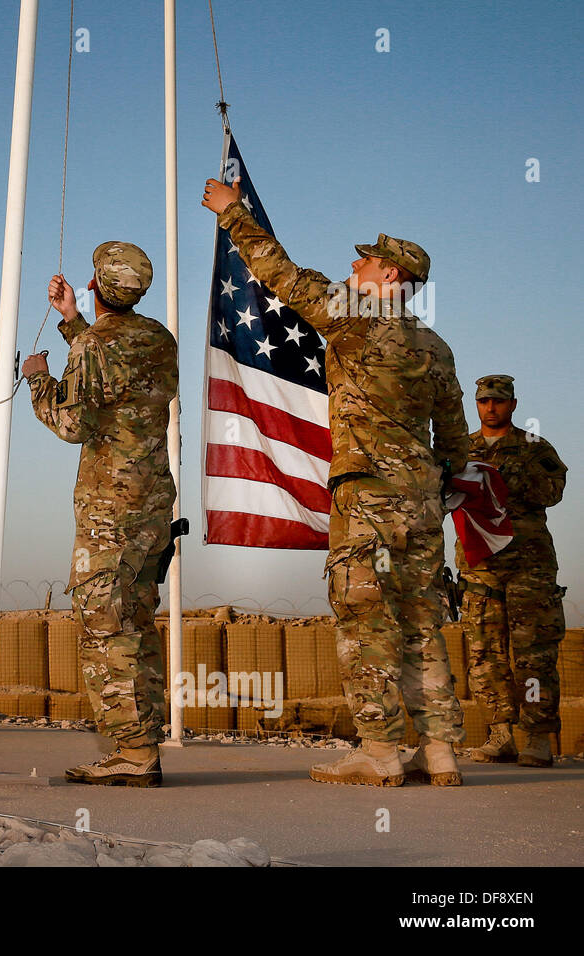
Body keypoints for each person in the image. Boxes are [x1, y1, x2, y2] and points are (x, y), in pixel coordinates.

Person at [202, 176, 468, 786]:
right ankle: (440, 752)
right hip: (424, 506)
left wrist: (234, 214)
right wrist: (437, 488)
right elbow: (453, 438)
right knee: (424, 623)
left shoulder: (355, 317)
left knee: (366, 621)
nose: (355, 262)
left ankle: (378, 752)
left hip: (367, 499)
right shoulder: (436, 347)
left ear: (392, 279)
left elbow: (286, 278)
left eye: (367, 258)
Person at [22, 241, 178, 786]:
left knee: (103, 625)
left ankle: (134, 754)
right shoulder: (159, 339)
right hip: (154, 504)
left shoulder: (93, 346)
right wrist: (73, 322)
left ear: (96, 284)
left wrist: (39, 378)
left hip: (110, 510)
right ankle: (143, 745)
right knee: (135, 622)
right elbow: (117, 373)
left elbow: (72, 424)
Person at [458, 374, 568, 767]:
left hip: (529, 565)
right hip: (480, 567)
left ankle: (537, 736)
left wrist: (505, 480)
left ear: (513, 405)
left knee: (533, 655)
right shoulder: (462, 450)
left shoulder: (534, 447)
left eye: (499, 402)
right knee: (485, 656)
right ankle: (500, 732)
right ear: (477, 404)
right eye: (484, 401)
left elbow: (553, 491)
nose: (491, 408)